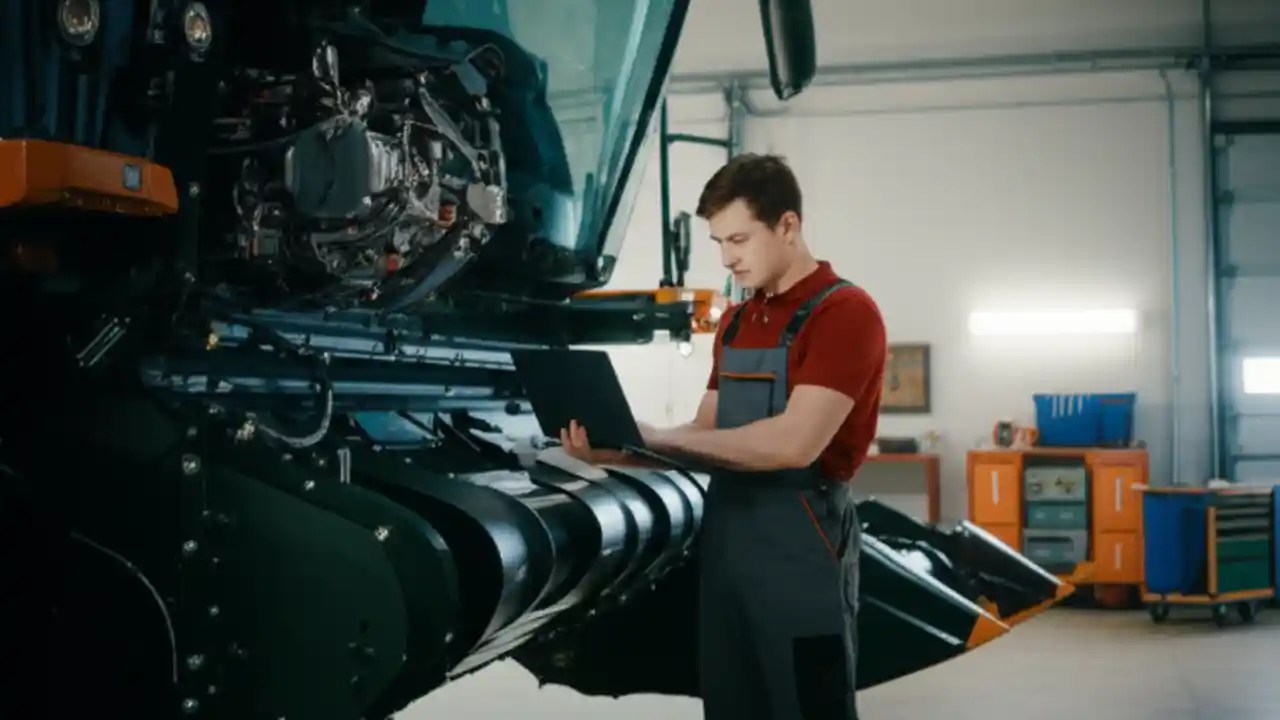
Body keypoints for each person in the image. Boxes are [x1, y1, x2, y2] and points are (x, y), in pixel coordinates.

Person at [559, 153, 886, 720]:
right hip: (730, 533)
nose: (728, 257)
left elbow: (792, 445)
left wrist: (658, 438)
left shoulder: (845, 314)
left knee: (806, 703)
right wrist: (625, 451)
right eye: (718, 242)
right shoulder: (737, 321)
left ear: (788, 225)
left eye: (739, 238)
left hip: (803, 536)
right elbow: (704, 434)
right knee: (734, 701)